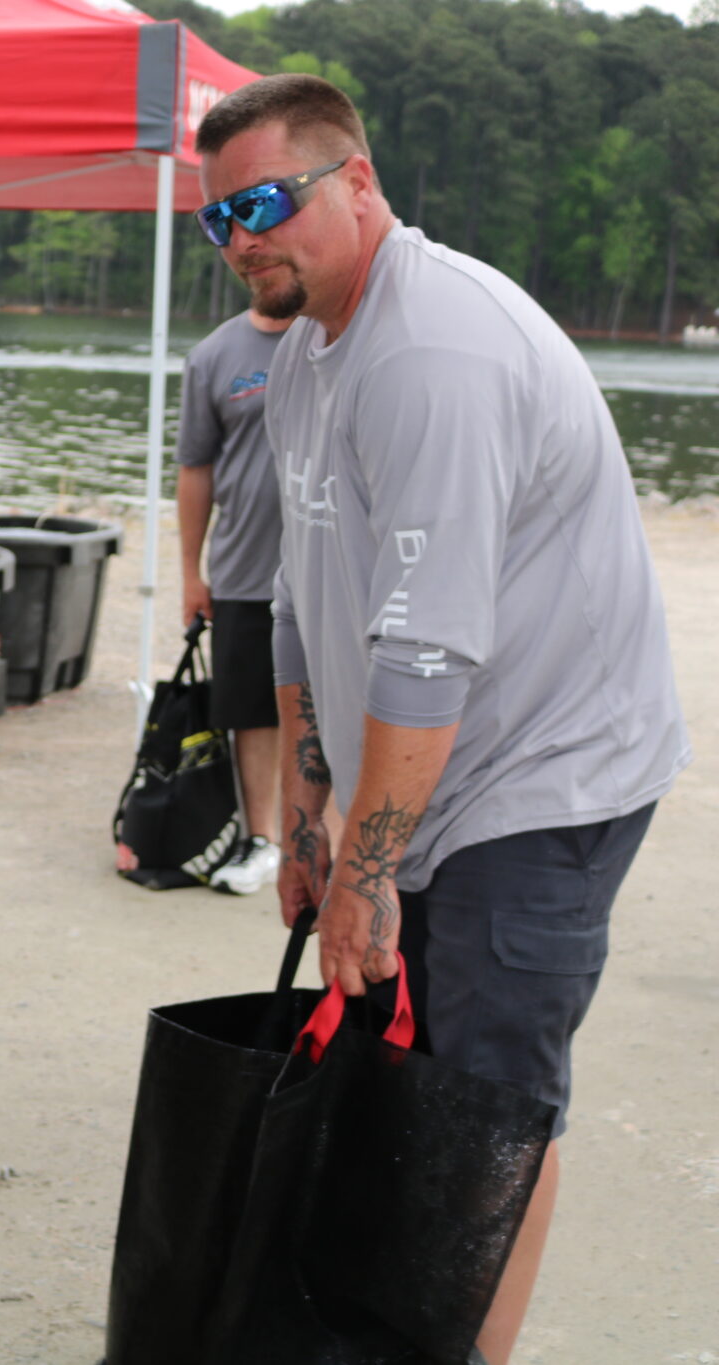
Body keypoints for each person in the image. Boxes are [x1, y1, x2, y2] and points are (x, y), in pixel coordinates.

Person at [194, 74, 689, 1363]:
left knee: (478, 1099)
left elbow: (425, 643)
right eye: (217, 219)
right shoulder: (303, 352)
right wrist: (307, 807)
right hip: (416, 776)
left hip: (537, 777)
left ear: (356, 182)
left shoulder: (433, 349)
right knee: (397, 1079)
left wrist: (366, 868)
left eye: (263, 201)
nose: (242, 236)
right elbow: (304, 603)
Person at [176, 304, 295, 895]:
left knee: (336, 706)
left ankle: (326, 837)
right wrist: (191, 574)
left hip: (333, 573)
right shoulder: (214, 356)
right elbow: (195, 468)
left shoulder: (336, 335)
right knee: (251, 711)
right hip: (244, 571)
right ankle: (262, 838)